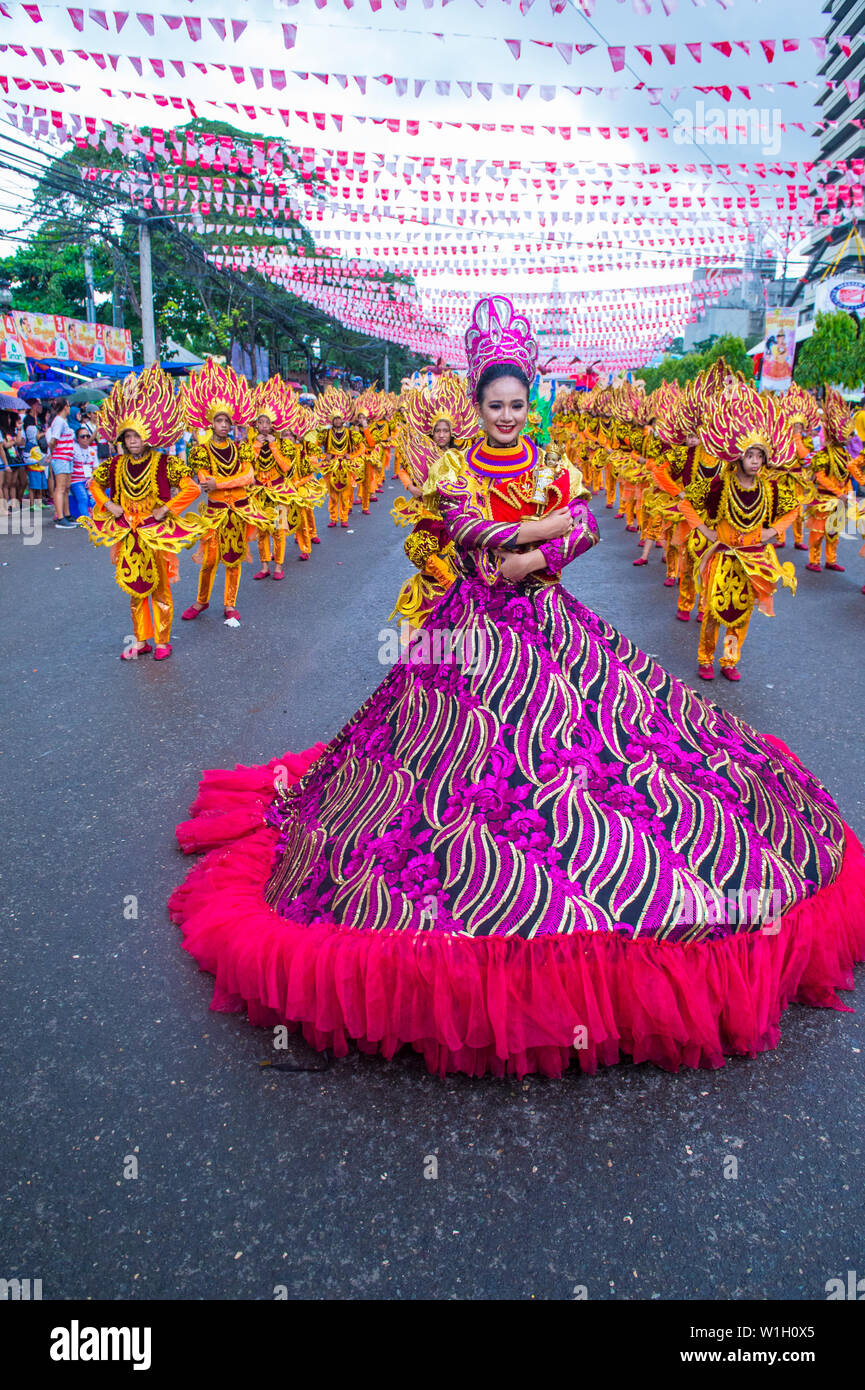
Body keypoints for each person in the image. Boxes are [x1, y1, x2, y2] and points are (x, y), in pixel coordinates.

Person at [169, 294, 865, 1081]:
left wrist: (536, 559)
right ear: (475, 404)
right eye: (492, 404)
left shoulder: (552, 459)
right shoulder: (451, 466)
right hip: (467, 627)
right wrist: (543, 530)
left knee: (604, 746)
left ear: (526, 399)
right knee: (448, 765)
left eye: (514, 403)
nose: (505, 416)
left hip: (544, 615)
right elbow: (474, 532)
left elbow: (589, 527)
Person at [83, 365, 204, 660]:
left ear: (147, 437)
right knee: (135, 589)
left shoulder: (165, 463)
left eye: (136, 436)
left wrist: (166, 508)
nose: (132, 441)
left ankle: (162, 641)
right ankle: (140, 640)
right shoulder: (114, 465)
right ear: (122, 440)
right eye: (128, 437)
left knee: (161, 590)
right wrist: (108, 505)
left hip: (155, 534)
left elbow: (192, 488)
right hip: (127, 532)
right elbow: (92, 484)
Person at [180, 360, 262, 626]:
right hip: (214, 514)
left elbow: (249, 477)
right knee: (209, 560)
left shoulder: (242, 448)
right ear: (211, 423)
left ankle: (229, 604)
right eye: (219, 420)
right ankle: (201, 601)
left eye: (227, 420)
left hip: (238, 512)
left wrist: (222, 484)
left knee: (234, 559)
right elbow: (205, 483)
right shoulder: (200, 451)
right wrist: (226, 483)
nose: (224, 425)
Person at [314, 388, 362, 529]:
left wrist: (351, 456)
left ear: (343, 419)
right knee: (333, 495)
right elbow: (315, 449)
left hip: (346, 466)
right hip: (331, 467)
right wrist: (324, 456)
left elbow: (362, 448)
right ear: (332, 420)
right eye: (335, 419)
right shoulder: (326, 433)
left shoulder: (350, 433)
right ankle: (333, 518)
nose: (337, 421)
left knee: (346, 494)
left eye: (339, 418)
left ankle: (344, 517)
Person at [46, 399, 76, 527]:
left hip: (67, 458)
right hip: (61, 458)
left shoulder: (64, 421)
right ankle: (60, 517)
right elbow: (53, 440)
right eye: (69, 406)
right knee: (60, 487)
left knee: (66, 487)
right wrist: (54, 452)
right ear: (65, 407)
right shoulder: (58, 421)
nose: (70, 408)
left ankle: (67, 514)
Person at [69, 425, 97, 520]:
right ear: (77, 439)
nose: (85, 438)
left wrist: (91, 479)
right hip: (76, 480)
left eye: (87, 436)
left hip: (89, 479)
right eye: (82, 436)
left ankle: (96, 518)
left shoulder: (92, 451)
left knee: (95, 497)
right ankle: (86, 519)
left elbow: (95, 469)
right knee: (83, 497)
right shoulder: (73, 449)